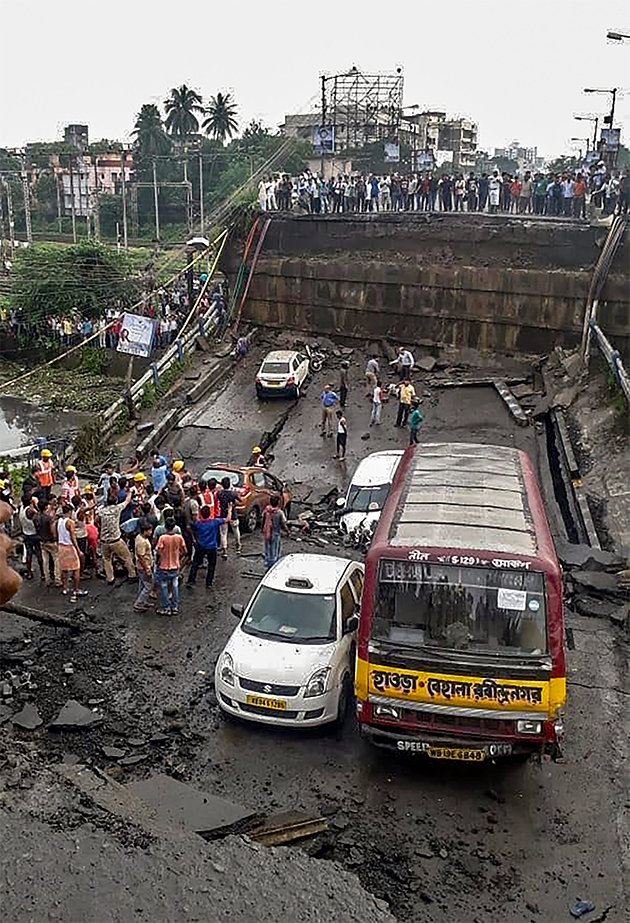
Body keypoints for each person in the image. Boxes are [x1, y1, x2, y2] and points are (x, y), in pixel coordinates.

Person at [98, 493, 136, 585]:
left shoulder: (101, 511)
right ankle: (132, 575)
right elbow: (126, 501)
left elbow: (97, 520)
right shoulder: (117, 509)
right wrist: (130, 492)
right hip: (116, 540)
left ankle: (110, 578)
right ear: (116, 502)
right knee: (126, 557)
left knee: (106, 559)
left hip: (104, 541)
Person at [187, 506, 225, 588]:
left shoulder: (198, 523)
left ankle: (191, 580)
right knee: (211, 565)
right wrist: (229, 510)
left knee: (195, 563)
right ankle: (209, 583)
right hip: (212, 547)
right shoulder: (214, 522)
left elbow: (191, 528)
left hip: (201, 546)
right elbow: (227, 519)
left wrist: (194, 538)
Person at [155, 517, 186, 614]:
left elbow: (158, 552)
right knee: (175, 587)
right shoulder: (179, 537)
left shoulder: (162, 538)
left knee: (164, 587)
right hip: (175, 566)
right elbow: (184, 551)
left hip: (164, 566)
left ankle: (166, 607)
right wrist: (177, 556)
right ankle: (175, 607)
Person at [58, 502, 86, 603]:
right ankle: (76, 589)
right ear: (70, 512)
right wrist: (78, 550)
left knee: (64, 569)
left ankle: (65, 588)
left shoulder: (59, 521)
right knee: (76, 569)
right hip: (69, 547)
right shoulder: (70, 522)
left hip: (61, 546)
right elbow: (73, 537)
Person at [35, 499, 61, 587]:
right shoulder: (48, 518)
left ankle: (47, 579)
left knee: (45, 561)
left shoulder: (35, 517)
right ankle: (58, 579)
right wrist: (55, 539)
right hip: (50, 541)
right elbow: (52, 531)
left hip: (42, 541)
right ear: (46, 507)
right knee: (56, 560)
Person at [261, 494, 288, 571]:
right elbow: (283, 523)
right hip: (276, 533)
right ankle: (273, 567)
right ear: (278, 503)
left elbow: (263, 519)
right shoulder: (279, 512)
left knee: (267, 549)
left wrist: (263, 529)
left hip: (267, 533)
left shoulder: (266, 510)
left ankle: (267, 565)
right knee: (275, 550)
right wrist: (287, 531)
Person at [217, 476, 241, 558]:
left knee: (223, 533)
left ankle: (225, 550)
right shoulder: (232, 493)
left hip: (223, 515)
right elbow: (240, 500)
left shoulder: (219, 493)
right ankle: (238, 545)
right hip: (233, 514)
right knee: (236, 531)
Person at [19, 502, 43, 581]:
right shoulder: (30, 511)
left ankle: (29, 572)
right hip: (34, 534)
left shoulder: (21, 510)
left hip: (26, 534)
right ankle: (42, 573)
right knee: (38, 553)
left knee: (29, 554)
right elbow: (37, 520)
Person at [134, 519, 154, 612]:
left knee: (142, 585)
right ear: (144, 531)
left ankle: (143, 601)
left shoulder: (140, 538)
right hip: (143, 566)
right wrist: (147, 568)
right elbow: (141, 556)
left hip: (142, 565)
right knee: (148, 586)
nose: (151, 532)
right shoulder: (142, 542)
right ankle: (138, 604)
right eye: (149, 530)